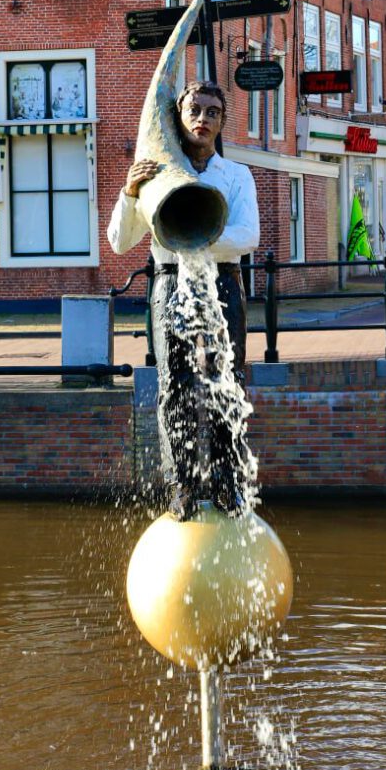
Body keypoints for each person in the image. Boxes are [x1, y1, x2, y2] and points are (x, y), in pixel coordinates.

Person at [107, 81, 260, 520]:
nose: (202, 119)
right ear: (179, 116)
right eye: (194, 110)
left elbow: (248, 236)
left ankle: (228, 483)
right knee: (173, 384)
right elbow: (119, 242)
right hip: (169, 283)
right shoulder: (156, 174)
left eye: (213, 112)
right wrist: (130, 194)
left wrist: (190, 239)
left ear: (222, 122)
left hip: (222, 281)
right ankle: (183, 485)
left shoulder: (237, 176)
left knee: (227, 380)